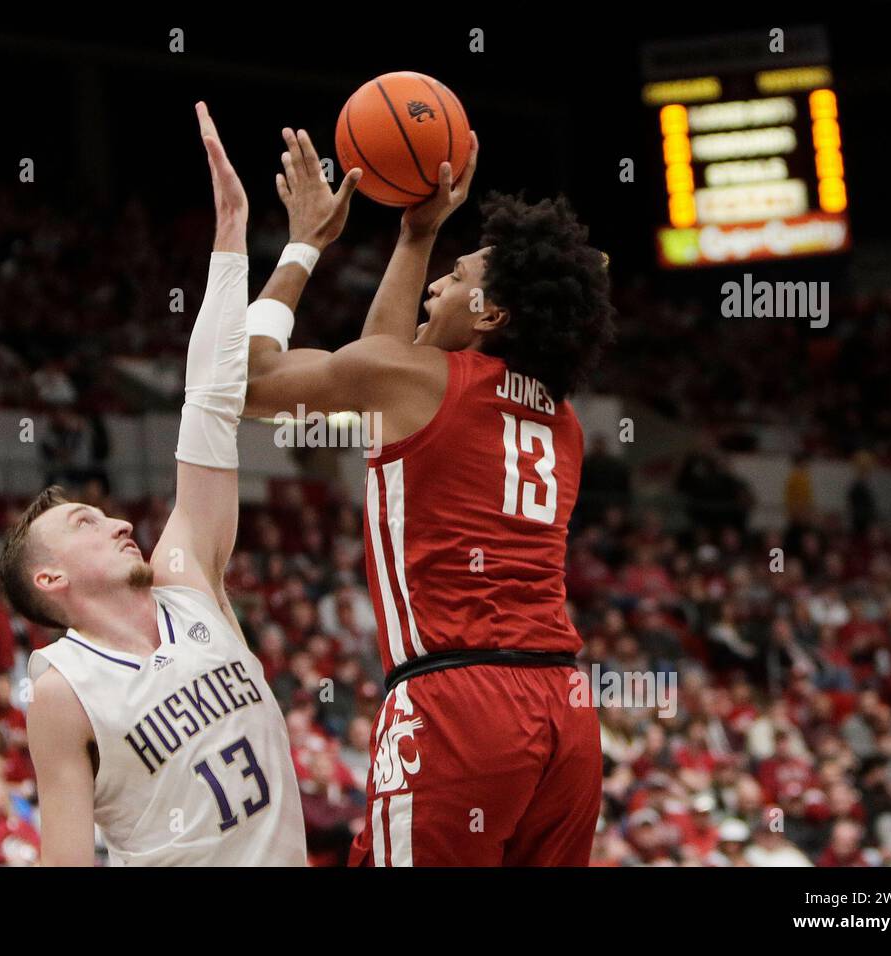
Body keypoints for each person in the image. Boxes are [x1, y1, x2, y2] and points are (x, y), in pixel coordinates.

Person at [239, 121, 616, 865]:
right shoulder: (561, 420)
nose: (438, 282)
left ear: (492, 314)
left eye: (458, 274)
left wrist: (305, 243)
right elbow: (385, 362)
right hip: (565, 716)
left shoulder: (418, 382)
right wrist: (416, 236)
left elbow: (246, 382)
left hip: (461, 707)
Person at [1, 103, 305, 867]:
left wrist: (233, 233)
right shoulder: (62, 683)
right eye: (82, 524)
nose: (112, 523)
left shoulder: (187, 578)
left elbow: (207, 403)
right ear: (50, 577)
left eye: (100, 512)